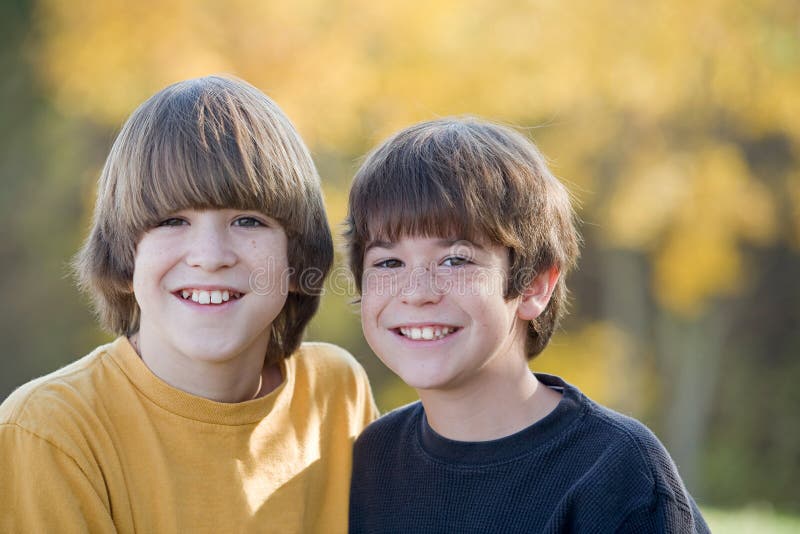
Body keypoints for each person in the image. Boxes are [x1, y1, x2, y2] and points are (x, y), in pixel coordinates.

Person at [0, 75, 377, 533]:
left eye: (247, 220)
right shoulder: (50, 432)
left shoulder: (336, 394)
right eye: (172, 221)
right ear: (125, 255)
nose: (210, 257)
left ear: (297, 256)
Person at [345, 117, 709, 533]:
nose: (417, 292)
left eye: (456, 259)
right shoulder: (367, 463)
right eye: (388, 262)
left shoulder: (617, 473)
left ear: (534, 287)